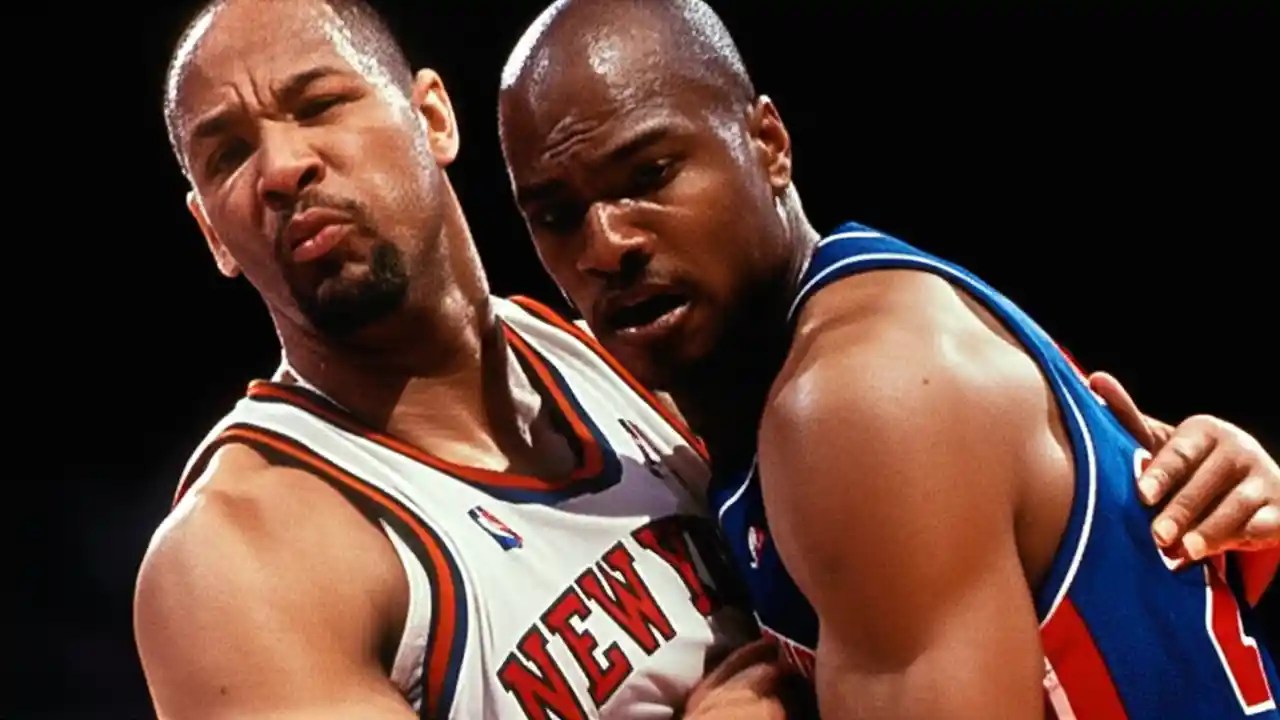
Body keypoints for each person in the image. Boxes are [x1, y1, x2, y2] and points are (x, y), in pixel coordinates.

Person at [496, 0, 1280, 717]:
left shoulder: (860, 396)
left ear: (769, 144)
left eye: (650, 175)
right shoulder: (741, 387)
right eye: (558, 215)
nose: (606, 245)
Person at [134, 1, 784, 718]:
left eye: (318, 105)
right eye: (228, 155)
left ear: (434, 118)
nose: (282, 169)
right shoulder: (238, 554)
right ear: (211, 234)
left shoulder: (617, 357)